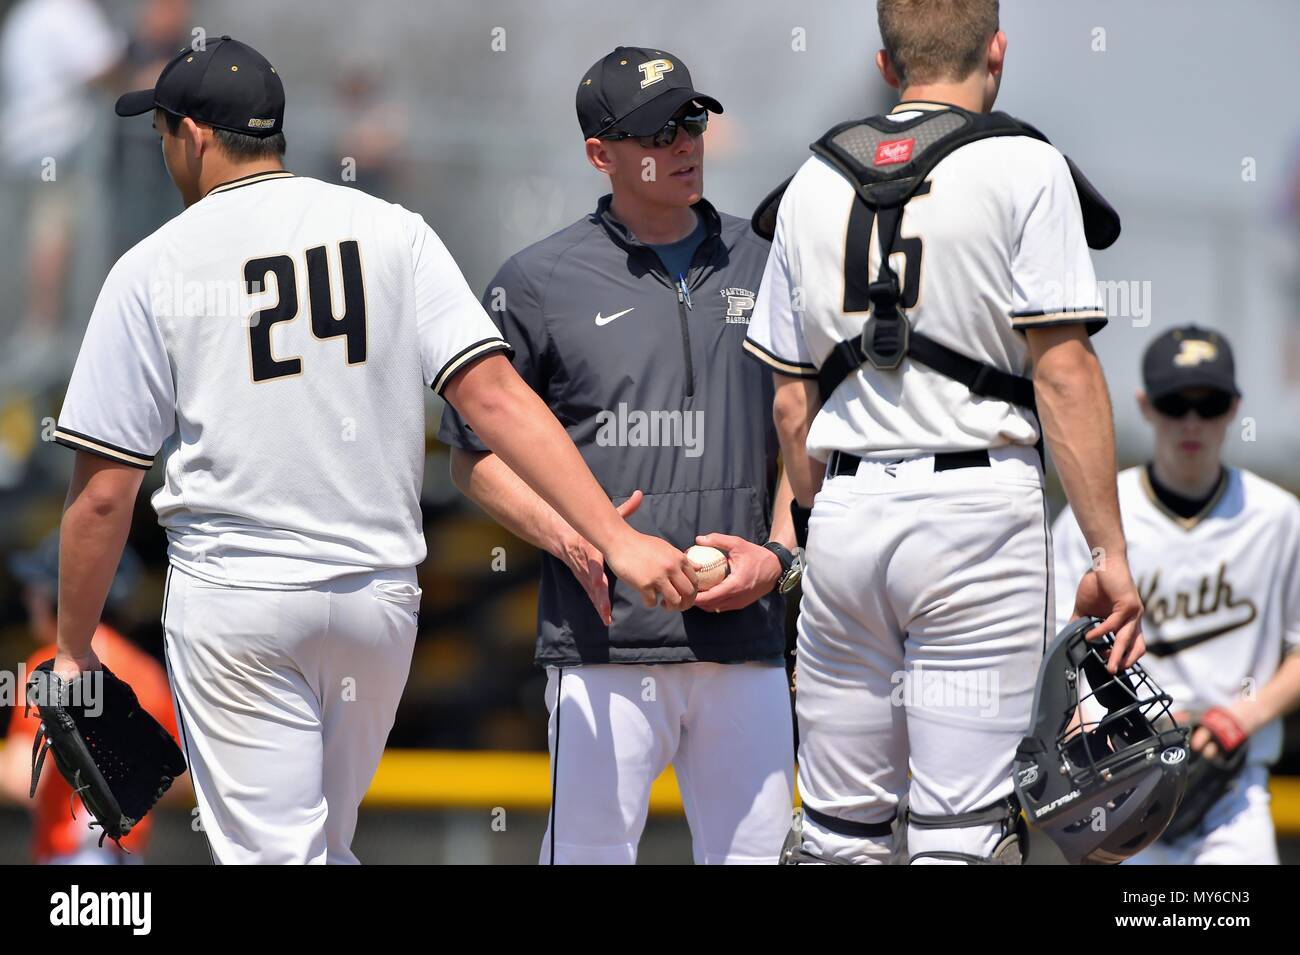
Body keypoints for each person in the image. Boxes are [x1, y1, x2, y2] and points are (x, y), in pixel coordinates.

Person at [51, 36, 695, 865]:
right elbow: (495, 397)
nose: (164, 148)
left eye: (164, 131)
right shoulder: (392, 230)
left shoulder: (152, 267)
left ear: (196, 136)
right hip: (376, 603)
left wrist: (71, 653)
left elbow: (104, 493)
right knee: (322, 843)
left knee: (279, 855)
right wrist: (615, 535)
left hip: (238, 594)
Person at [745, 0, 1143, 864]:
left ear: (886, 66)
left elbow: (788, 404)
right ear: (996, 52)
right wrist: (1108, 553)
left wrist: (821, 526)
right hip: (975, 510)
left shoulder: (809, 181)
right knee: (962, 834)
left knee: (840, 833)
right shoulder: (1025, 164)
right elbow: (1064, 371)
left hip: (845, 513)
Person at [440, 46, 800, 865]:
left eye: (692, 118)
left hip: (743, 636)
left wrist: (779, 556)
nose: (684, 142)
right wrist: (578, 535)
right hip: (603, 643)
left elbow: (802, 432)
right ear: (601, 154)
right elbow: (473, 455)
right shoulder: (536, 280)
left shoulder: (771, 259)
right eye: (655, 130)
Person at [1053, 326, 1300, 864]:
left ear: (1234, 407)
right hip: (1122, 778)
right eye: (1173, 403)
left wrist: (1244, 717)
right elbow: (1056, 656)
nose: (1190, 421)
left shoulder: (1280, 518)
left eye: (1207, 404)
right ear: (1144, 404)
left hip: (1234, 787)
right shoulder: (1094, 519)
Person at [0, 534, 177, 864]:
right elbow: (177, 780)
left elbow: (20, 780)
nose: (29, 597)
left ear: (60, 597)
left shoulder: (50, 669)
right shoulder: (143, 670)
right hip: (124, 854)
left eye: (36, 587)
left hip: (69, 856)